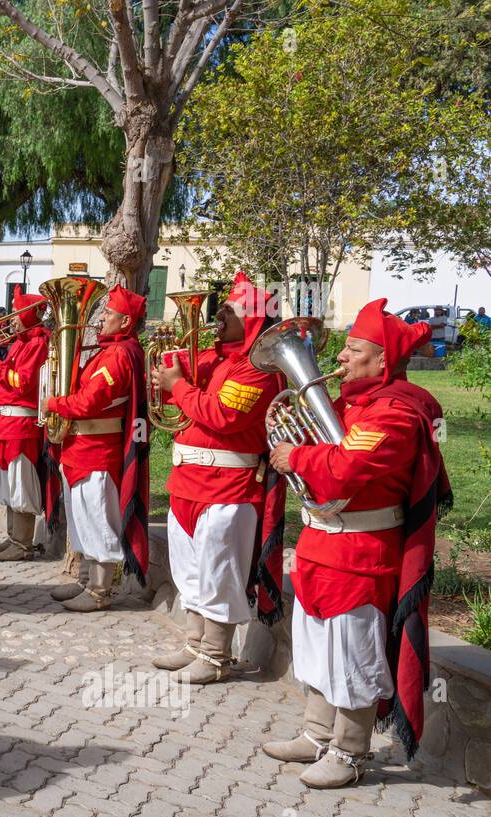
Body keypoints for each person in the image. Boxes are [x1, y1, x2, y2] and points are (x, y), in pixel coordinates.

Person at [262, 299, 449, 788]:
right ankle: (317, 732)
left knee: (353, 654)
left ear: (383, 359)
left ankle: (349, 751)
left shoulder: (395, 413)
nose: (340, 358)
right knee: (316, 647)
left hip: (361, 555)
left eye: (353, 349)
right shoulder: (354, 404)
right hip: (321, 546)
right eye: (344, 349)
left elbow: (348, 467)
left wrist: (298, 456)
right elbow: (335, 453)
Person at [149, 272, 286, 683]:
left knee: (219, 572)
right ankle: (195, 643)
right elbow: (167, 378)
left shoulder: (260, 370)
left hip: (228, 486)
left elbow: (223, 416)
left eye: (231, 308)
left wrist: (178, 387)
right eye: (222, 306)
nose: (219, 313)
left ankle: (215, 656)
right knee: (190, 571)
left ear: (255, 321)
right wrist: (167, 372)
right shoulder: (219, 358)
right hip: (188, 483)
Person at [44, 285, 152, 607]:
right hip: (82, 450)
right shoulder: (108, 352)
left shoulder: (119, 355)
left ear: (125, 322)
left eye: (108, 313)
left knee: (98, 521)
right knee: (83, 521)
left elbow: (91, 401)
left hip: (97, 454)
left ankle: (100, 591)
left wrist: (55, 403)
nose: (101, 317)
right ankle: (86, 580)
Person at [0, 288, 50, 562]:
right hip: (8, 423)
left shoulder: (37, 344)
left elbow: (22, 382)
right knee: (9, 486)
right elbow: (6, 377)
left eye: (18, 313)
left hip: (22, 422)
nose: (12, 320)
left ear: (30, 315)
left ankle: (23, 544)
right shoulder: (20, 342)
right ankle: (13, 538)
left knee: (22, 486)